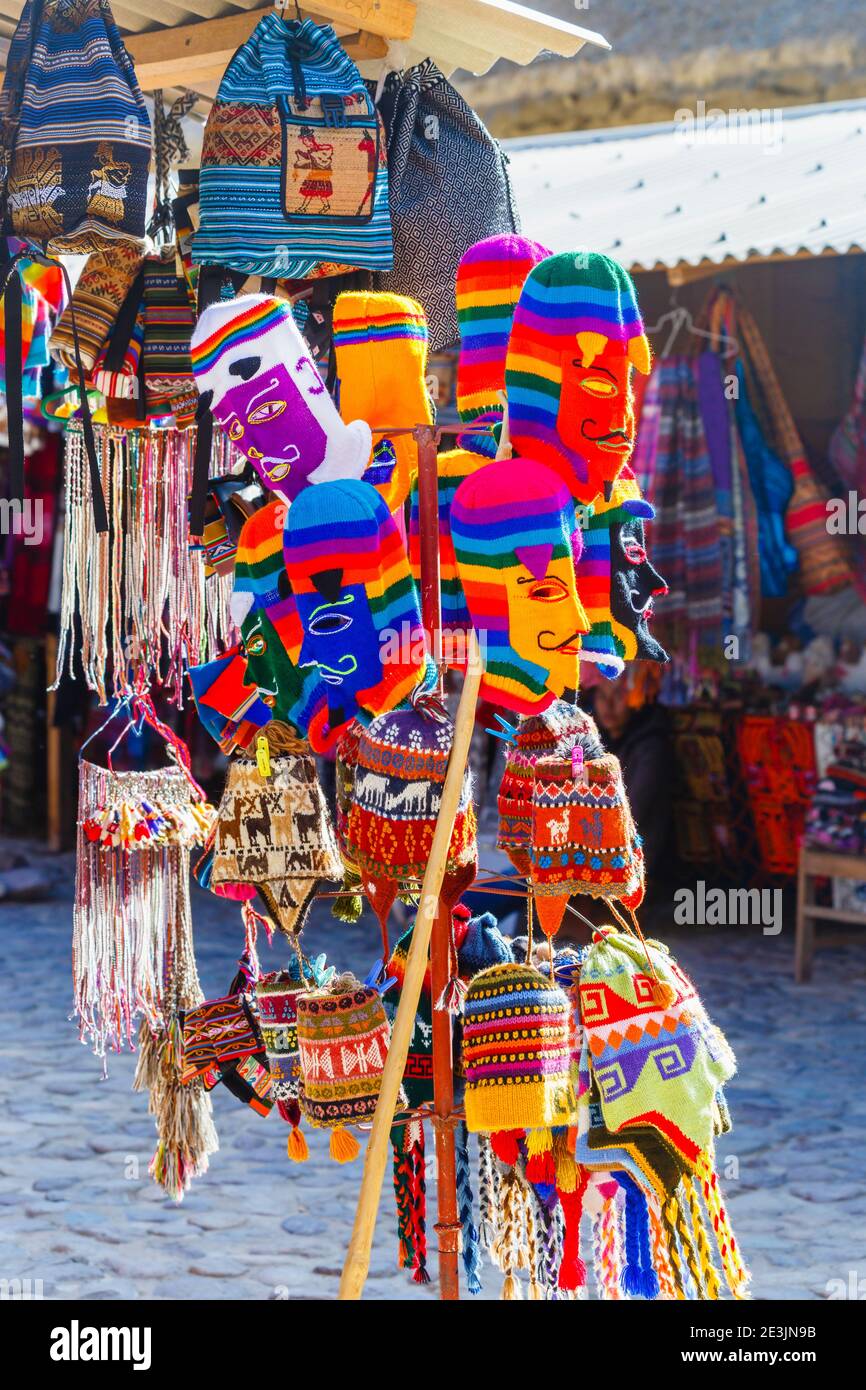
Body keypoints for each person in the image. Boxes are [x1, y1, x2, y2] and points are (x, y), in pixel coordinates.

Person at [591, 681, 673, 883]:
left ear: (636, 699)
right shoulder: (598, 741)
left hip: (638, 862)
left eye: (618, 696)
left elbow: (632, 811)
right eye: (602, 696)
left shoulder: (651, 747)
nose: (608, 705)